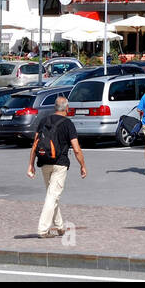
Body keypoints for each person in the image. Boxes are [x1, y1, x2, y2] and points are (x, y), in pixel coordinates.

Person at [27, 96, 86, 239]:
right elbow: (76, 149)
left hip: (44, 162)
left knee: (51, 196)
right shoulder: (68, 123)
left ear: (55, 107)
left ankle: (59, 227)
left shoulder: (43, 121)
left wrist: (31, 164)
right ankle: (43, 229)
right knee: (52, 196)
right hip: (60, 164)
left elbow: (35, 145)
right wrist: (82, 165)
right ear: (67, 108)